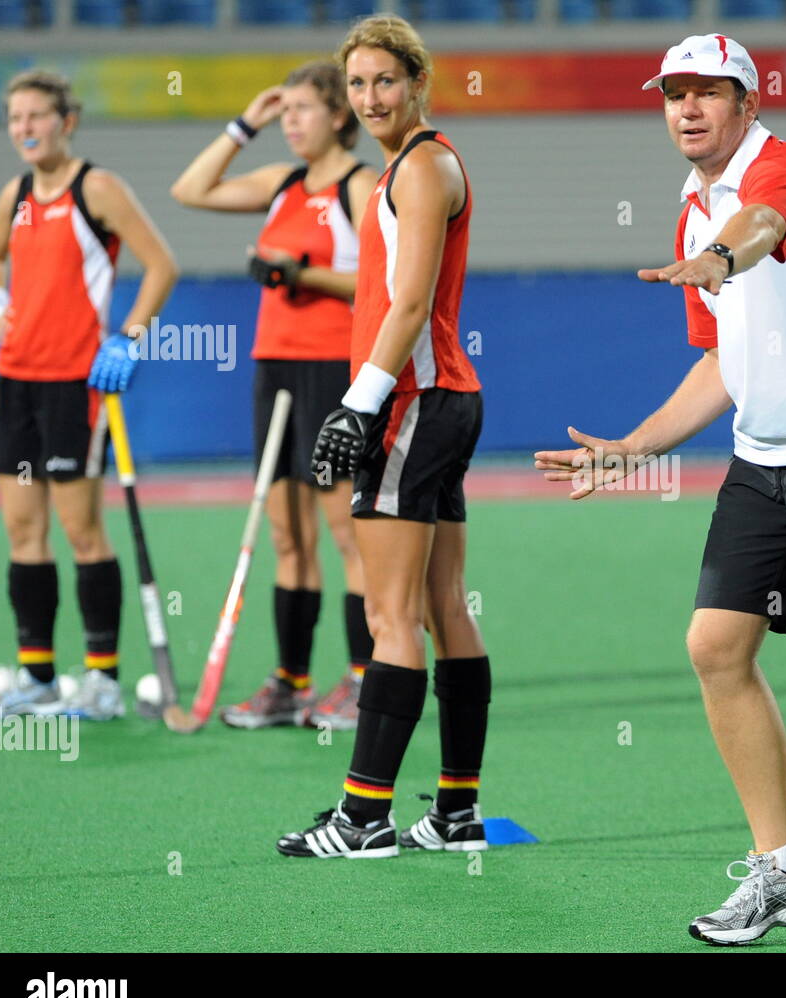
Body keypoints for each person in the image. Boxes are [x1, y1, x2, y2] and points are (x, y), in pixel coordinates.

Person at [535, 34, 786, 949]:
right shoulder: (689, 210)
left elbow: (760, 231)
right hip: (767, 451)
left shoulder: (785, 171)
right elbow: (721, 360)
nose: (687, 109)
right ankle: (785, 873)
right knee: (716, 646)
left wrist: (721, 257)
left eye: (708, 93)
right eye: (674, 94)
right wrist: (634, 446)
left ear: (748, 105)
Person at [277, 14, 490, 858]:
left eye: (383, 82)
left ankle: (363, 819)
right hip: (432, 401)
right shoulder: (411, 166)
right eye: (357, 84)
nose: (370, 98)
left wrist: (359, 403)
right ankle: (456, 812)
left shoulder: (425, 167)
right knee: (441, 607)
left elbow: (409, 303)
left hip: (411, 402)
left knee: (389, 612)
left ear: (416, 81)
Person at [171, 62, 378, 730]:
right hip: (275, 371)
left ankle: (362, 678)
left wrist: (304, 274)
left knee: (347, 534)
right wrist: (244, 124)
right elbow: (189, 189)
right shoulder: (282, 183)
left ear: (340, 115)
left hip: (332, 371)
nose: (290, 121)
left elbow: (386, 286)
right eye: (282, 111)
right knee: (288, 533)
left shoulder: (361, 184)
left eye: (302, 109)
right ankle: (290, 683)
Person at [0, 69, 178, 720]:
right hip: (17, 379)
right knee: (21, 530)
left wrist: (130, 337)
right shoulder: (15, 194)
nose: (24, 129)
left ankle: (103, 683)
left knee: (81, 531)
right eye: (14, 119)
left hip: (73, 383)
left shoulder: (98, 188)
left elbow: (161, 264)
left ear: (67, 121)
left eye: (36, 116)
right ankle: (37, 677)